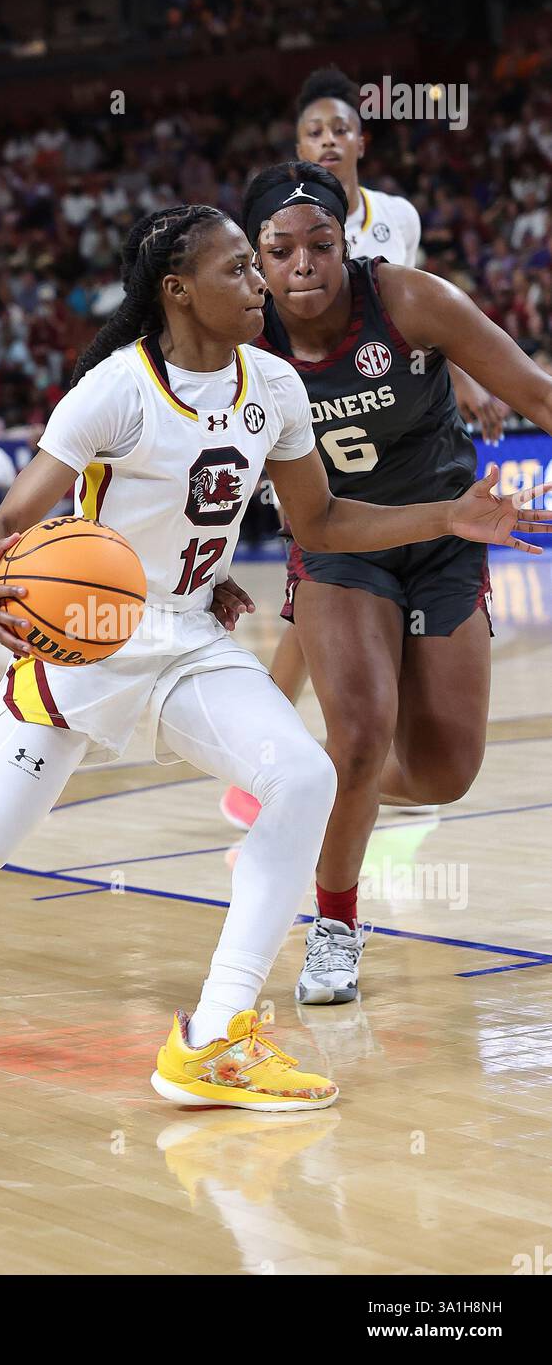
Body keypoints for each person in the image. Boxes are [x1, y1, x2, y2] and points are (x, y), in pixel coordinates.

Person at [0, 206, 547, 1112]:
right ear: (179, 292)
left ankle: (213, 1038)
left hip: (187, 640)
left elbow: (322, 524)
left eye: (259, 269)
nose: (260, 284)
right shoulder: (114, 391)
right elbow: (8, 525)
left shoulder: (277, 387)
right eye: (240, 270)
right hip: (89, 641)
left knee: (302, 774)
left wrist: (446, 517)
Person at [217, 161, 552, 1007]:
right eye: (281, 250)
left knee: (443, 774)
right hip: (338, 546)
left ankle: (324, 781)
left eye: (320, 245)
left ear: (345, 243)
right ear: (256, 259)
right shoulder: (239, 345)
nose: (302, 266)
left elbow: (538, 395)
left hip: (446, 535)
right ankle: (334, 924)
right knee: (363, 733)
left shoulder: (408, 301)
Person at [219, 65, 511, 733]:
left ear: (361, 140)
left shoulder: (395, 223)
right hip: (318, 441)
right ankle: (280, 745)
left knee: (356, 611)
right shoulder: (271, 250)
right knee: (322, 573)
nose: (327, 140)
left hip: (398, 426)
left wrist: (462, 381)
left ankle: (328, 753)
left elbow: (428, 328)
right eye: (313, 131)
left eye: (340, 128)